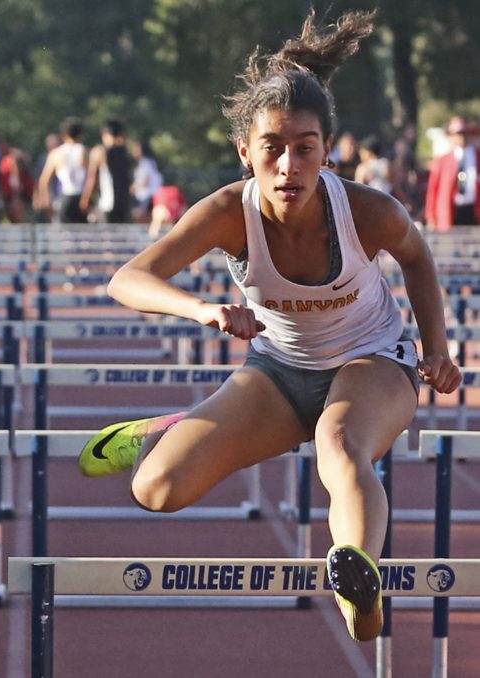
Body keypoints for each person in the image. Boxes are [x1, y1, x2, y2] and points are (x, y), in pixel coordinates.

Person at [77, 10, 461, 643]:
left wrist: (437, 350)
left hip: (371, 362)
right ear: (245, 152)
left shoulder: (369, 212)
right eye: (272, 148)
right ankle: (168, 430)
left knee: (340, 444)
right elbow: (128, 278)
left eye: (305, 148)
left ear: (327, 150)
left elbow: (418, 259)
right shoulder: (229, 212)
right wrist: (200, 309)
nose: (289, 167)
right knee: (157, 489)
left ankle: (357, 580)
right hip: (279, 373)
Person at [424, 116, 480, 231]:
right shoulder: (442, 161)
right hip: (451, 211)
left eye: (464, 133)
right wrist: (431, 215)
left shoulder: (477, 157)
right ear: (451, 136)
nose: (461, 137)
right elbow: (433, 188)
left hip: (474, 210)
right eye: (458, 133)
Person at [37, 118, 88, 224]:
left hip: (65, 199)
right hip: (83, 199)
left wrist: (47, 201)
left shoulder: (56, 154)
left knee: (64, 232)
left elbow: (44, 180)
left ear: (63, 134)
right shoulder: (86, 152)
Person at [81, 118, 131, 224]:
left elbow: (92, 179)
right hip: (125, 205)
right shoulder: (125, 153)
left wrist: (85, 199)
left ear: (105, 134)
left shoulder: (100, 152)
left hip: (108, 204)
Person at [131, 139, 163, 224]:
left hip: (147, 195)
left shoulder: (146, 162)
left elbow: (145, 180)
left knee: (141, 216)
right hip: (148, 195)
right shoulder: (148, 162)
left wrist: (133, 189)